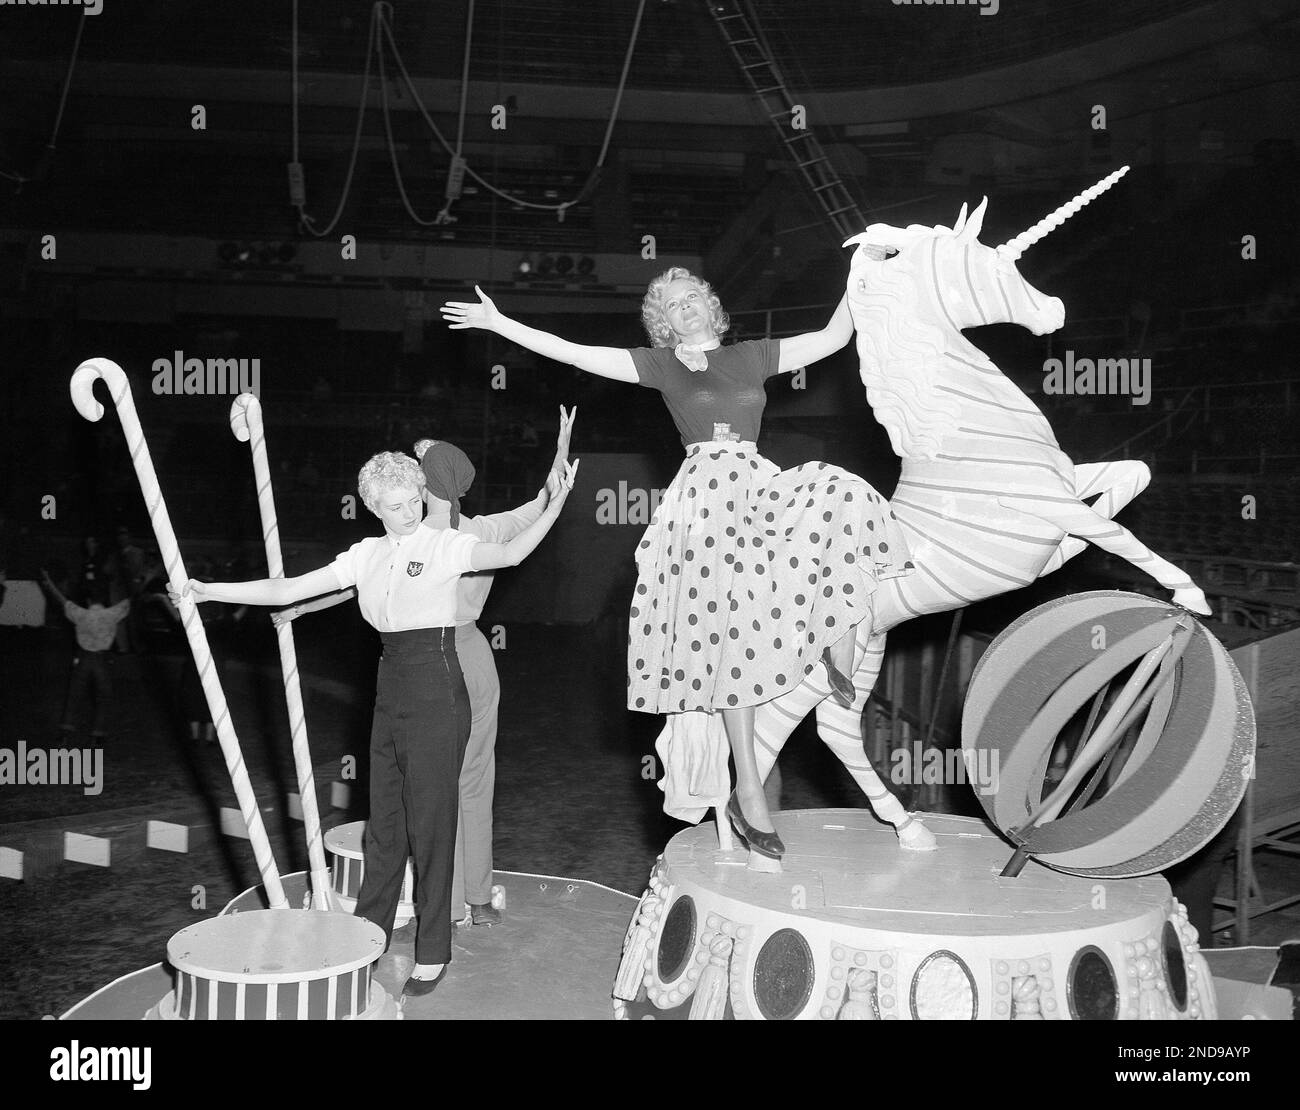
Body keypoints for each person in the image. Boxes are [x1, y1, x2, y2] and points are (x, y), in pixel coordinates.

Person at [442, 271, 911, 860]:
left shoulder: (751, 355)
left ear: (711, 307)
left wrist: (863, 264)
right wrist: (500, 323)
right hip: (701, 504)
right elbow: (573, 352)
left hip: (755, 485)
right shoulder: (661, 366)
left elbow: (836, 333)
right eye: (670, 306)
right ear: (664, 323)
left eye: (691, 298)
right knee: (727, 643)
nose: (683, 309)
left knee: (843, 492)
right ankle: (748, 790)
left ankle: (840, 635)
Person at [170, 449, 577, 998]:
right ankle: (369, 932)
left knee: (432, 824)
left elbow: (508, 552)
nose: (409, 513)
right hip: (390, 684)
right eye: (395, 505)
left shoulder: (444, 543)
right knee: (383, 823)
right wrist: (207, 591)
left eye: (414, 501)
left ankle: (433, 952)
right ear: (372, 507)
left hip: (438, 682)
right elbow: (290, 588)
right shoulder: (365, 553)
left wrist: (557, 505)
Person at [277, 409, 576, 929]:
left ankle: (451, 903)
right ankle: (478, 898)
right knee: (476, 781)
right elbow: (543, 501)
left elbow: (362, 582)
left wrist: (303, 606)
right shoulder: (483, 528)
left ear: (424, 486)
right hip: (478, 658)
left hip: (433, 661)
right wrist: (559, 453)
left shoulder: (414, 537)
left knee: (436, 791)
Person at [39, 570, 130, 741]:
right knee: (103, 696)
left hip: (83, 658)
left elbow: (60, 599)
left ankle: (65, 732)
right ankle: (98, 734)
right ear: (104, 598)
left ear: (88, 599)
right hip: (102, 659)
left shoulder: (80, 613)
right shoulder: (112, 613)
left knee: (74, 695)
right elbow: (130, 600)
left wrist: (49, 581)